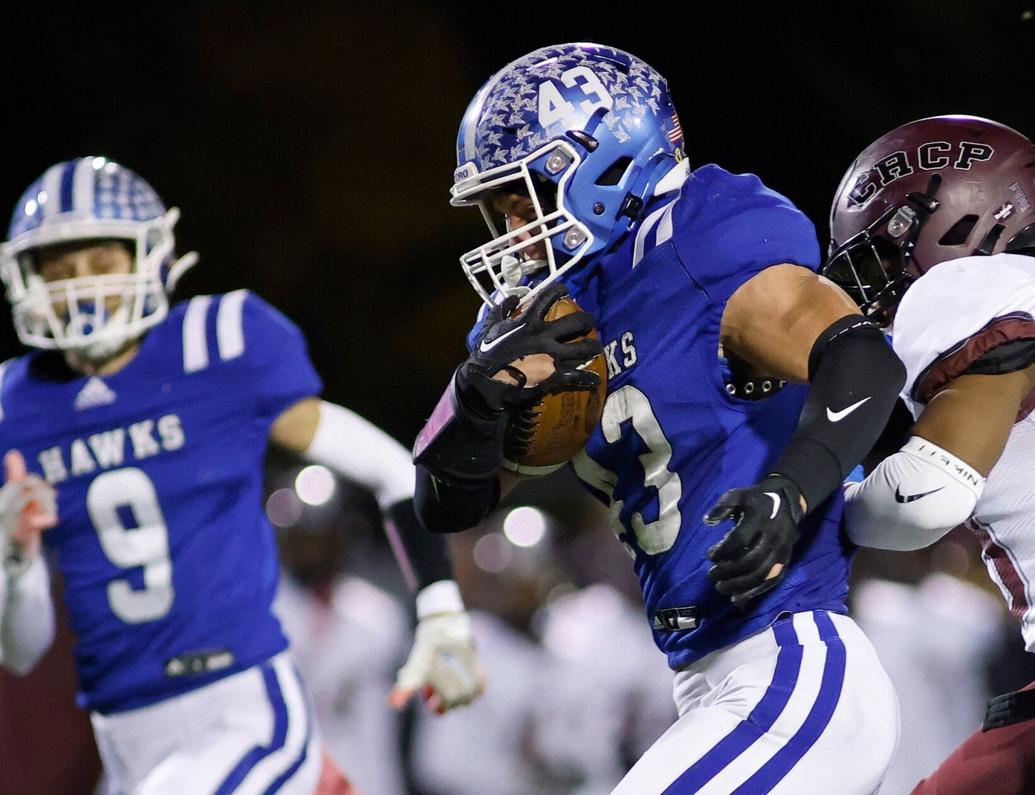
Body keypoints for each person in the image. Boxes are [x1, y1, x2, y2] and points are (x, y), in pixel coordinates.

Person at [413, 43, 905, 793]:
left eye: (523, 197)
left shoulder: (699, 238)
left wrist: (790, 488)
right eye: (497, 209)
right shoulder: (554, 320)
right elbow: (447, 501)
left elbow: (862, 359)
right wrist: (478, 407)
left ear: (605, 165)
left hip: (791, 661)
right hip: (705, 683)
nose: (510, 229)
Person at [0, 156, 483, 793]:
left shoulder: (215, 343)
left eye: (99, 263)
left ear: (151, 256)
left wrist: (442, 608)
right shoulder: (17, 404)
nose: (80, 287)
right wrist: (12, 555)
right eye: (59, 271)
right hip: (120, 738)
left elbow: (392, 469)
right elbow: (21, 648)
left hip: (238, 712)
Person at [821, 114, 1035, 794]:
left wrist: (813, 508)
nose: (879, 289)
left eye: (884, 256)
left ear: (961, 221)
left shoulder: (961, 288)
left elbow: (923, 494)